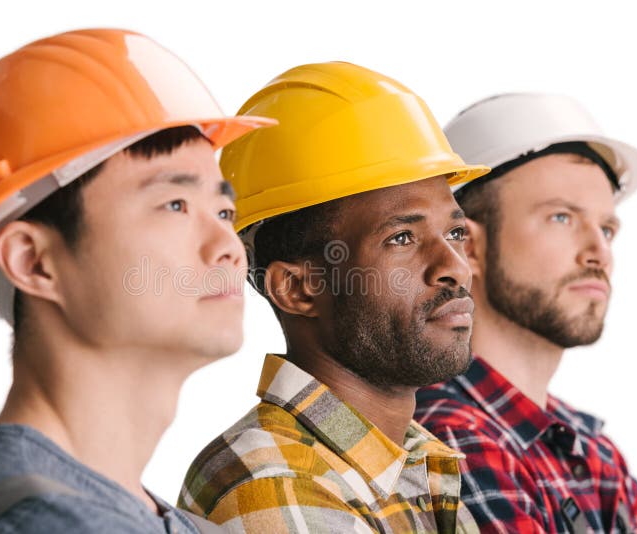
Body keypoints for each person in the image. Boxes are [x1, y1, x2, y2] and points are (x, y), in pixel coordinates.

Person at [0, 28, 273, 534]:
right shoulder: (39, 523)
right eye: (175, 204)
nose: (229, 246)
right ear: (33, 261)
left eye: (223, 210)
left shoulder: (148, 519)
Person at [179, 61, 489, 533]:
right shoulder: (273, 481)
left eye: (454, 231)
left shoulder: (416, 464)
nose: (455, 267)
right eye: (402, 238)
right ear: (299, 287)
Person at [414, 93, 637, 533]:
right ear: (467, 246)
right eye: (562, 218)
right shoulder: (450, 441)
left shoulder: (590, 449)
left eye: (606, 228)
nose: (599, 253)